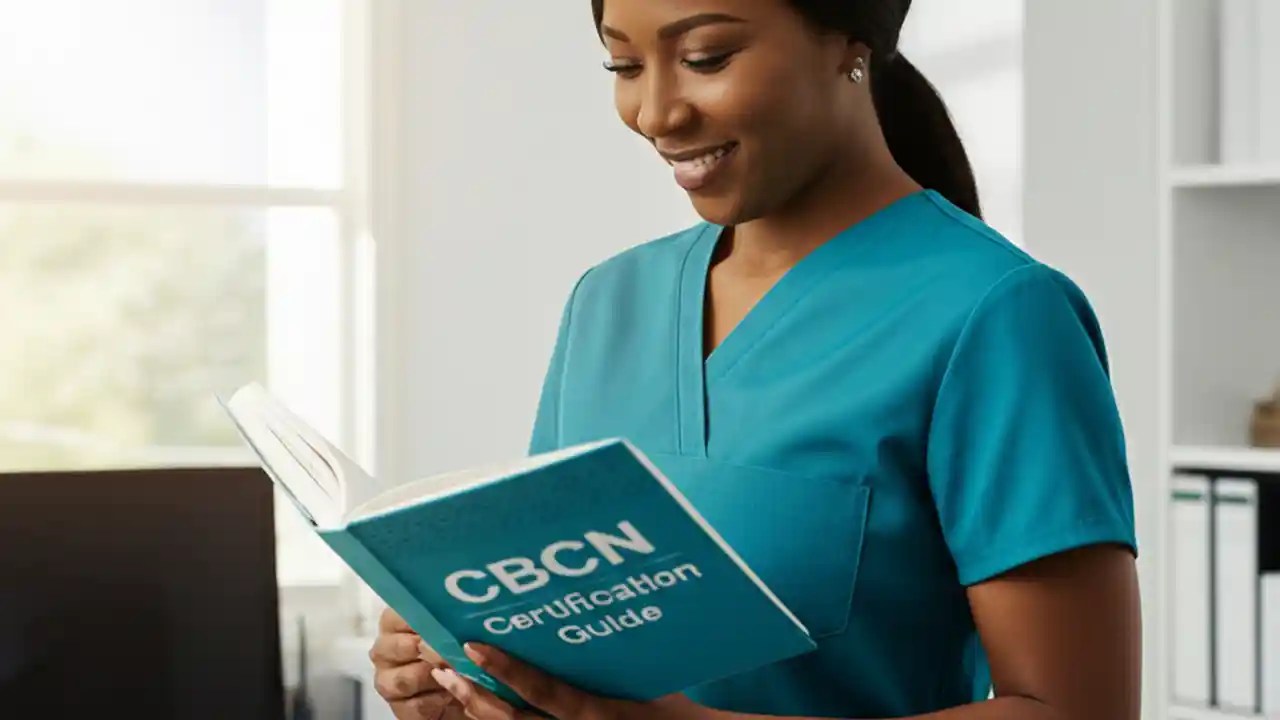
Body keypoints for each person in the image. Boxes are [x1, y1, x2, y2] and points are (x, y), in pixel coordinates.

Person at [368, 0, 1143, 718]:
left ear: (850, 41)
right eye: (624, 67)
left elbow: (1077, 711)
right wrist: (469, 677)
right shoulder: (608, 301)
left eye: (706, 57)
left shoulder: (997, 315)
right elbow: (566, 649)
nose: (656, 112)